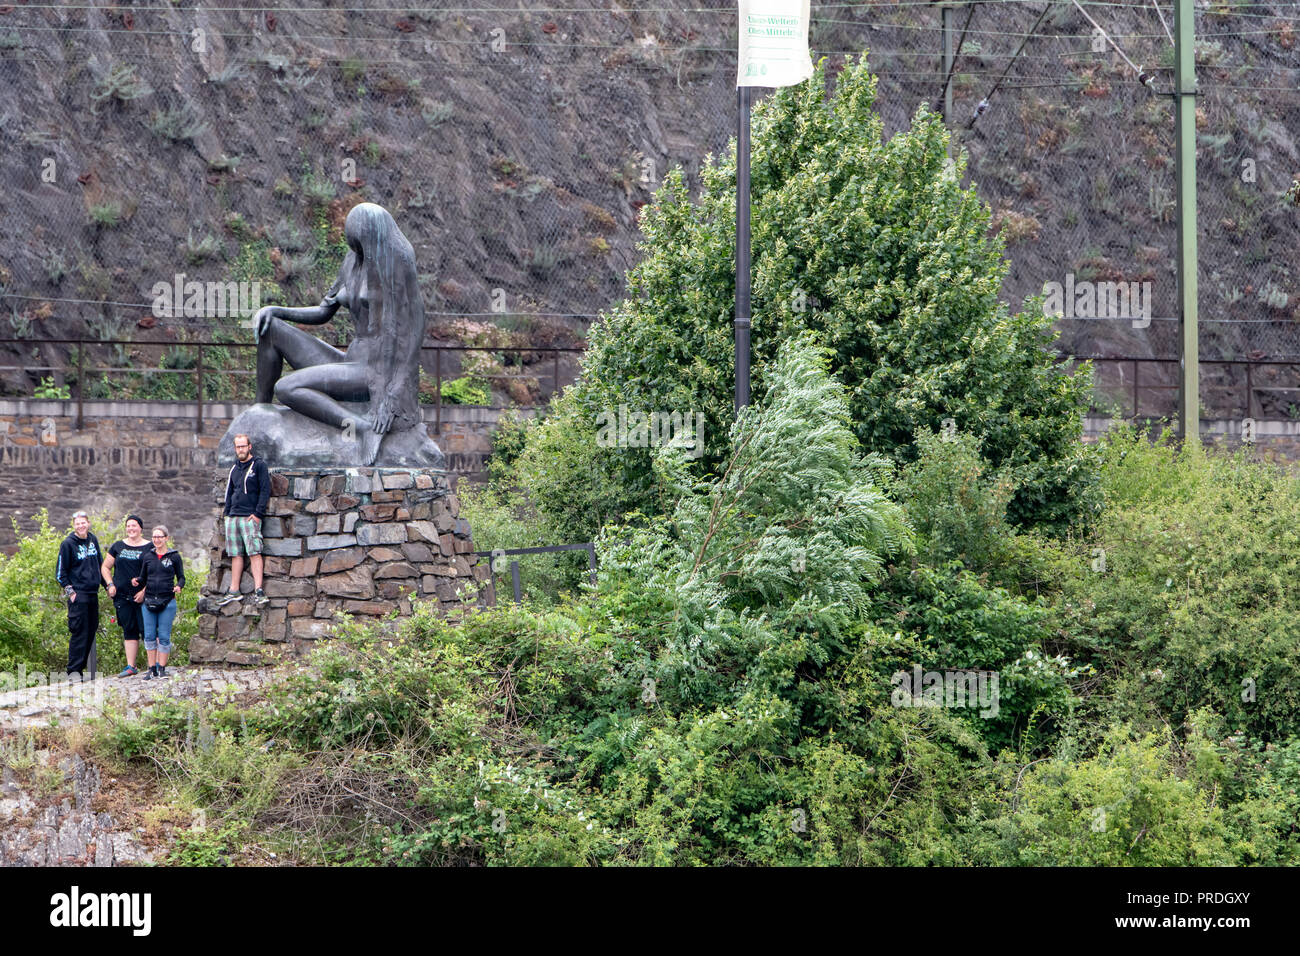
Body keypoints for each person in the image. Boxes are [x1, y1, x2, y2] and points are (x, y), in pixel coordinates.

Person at [251, 202, 426, 466]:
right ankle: (259, 413)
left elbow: (414, 333)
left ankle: (362, 427)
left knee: (287, 387)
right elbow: (323, 311)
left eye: (359, 241)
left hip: (373, 370)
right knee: (270, 328)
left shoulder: (397, 265)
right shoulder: (351, 261)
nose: (354, 248)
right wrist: (276, 310)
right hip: (349, 361)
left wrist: (394, 391)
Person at [217, 433, 270, 607]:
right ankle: (234, 590)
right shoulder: (234, 468)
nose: (240, 449)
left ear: (249, 446)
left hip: (250, 516)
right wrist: (227, 514)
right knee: (235, 554)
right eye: (237, 447)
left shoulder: (259, 465)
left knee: (254, 552)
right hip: (233, 516)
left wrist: (257, 514)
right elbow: (230, 491)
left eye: (243, 446)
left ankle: (258, 590)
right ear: (235, 449)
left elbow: (265, 490)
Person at [55, 510, 107, 679]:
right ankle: (73, 672)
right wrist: (71, 592)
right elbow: (60, 573)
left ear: (88, 523)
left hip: (93, 593)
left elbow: (100, 564)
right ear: (74, 526)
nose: (81, 526)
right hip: (79, 594)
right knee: (79, 632)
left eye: (83, 522)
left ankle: (81, 670)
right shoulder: (68, 544)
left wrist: (107, 585)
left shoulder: (93, 540)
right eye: (77, 523)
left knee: (91, 630)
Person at [136, 525, 184, 681]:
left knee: (164, 636)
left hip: (167, 601)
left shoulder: (174, 557)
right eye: (154, 537)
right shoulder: (148, 556)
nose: (156, 540)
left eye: (160, 537)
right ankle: (151, 669)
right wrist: (137, 581)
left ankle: (162, 668)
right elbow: (143, 577)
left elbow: (181, 577)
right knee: (149, 636)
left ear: (166, 538)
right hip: (149, 600)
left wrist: (179, 586)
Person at [102, 515, 148, 677]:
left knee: (147, 630)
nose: (131, 529)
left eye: (134, 526)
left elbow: (156, 572)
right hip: (122, 596)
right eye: (128, 526)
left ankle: (154, 666)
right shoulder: (118, 546)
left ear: (141, 528)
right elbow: (105, 567)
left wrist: (144, 591)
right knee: (129, 630)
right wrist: (110, 584)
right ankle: (131, 666)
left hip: (143, 597)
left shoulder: (149, 547)